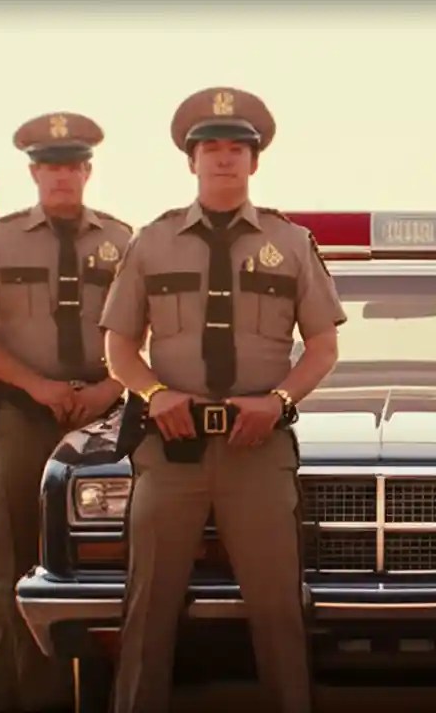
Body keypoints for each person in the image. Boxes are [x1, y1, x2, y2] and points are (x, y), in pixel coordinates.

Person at [100, 86, 346, 713]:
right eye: (211, 147)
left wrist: (281, 402)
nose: (224, 158)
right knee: (148, 610)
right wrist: (153, 395)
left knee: (277, 612)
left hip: (257, 449)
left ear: (255, 161)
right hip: (171, 447)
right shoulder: (151, 242)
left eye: (238, 148)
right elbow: (119, 348)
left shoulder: (291, 243)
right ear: (191, 161)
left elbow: (321, 347)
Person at [0, 111, 133, 712]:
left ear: (87, 170)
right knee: (10, 565)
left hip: (106, 419)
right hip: (24, 417)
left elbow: (151, 329)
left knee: (111, 564)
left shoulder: (123, 239)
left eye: (72, 166)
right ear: (33, 172)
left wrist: (109, 391)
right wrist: (37, 387)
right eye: (50, 166)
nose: (61, 176)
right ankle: (2, 699)